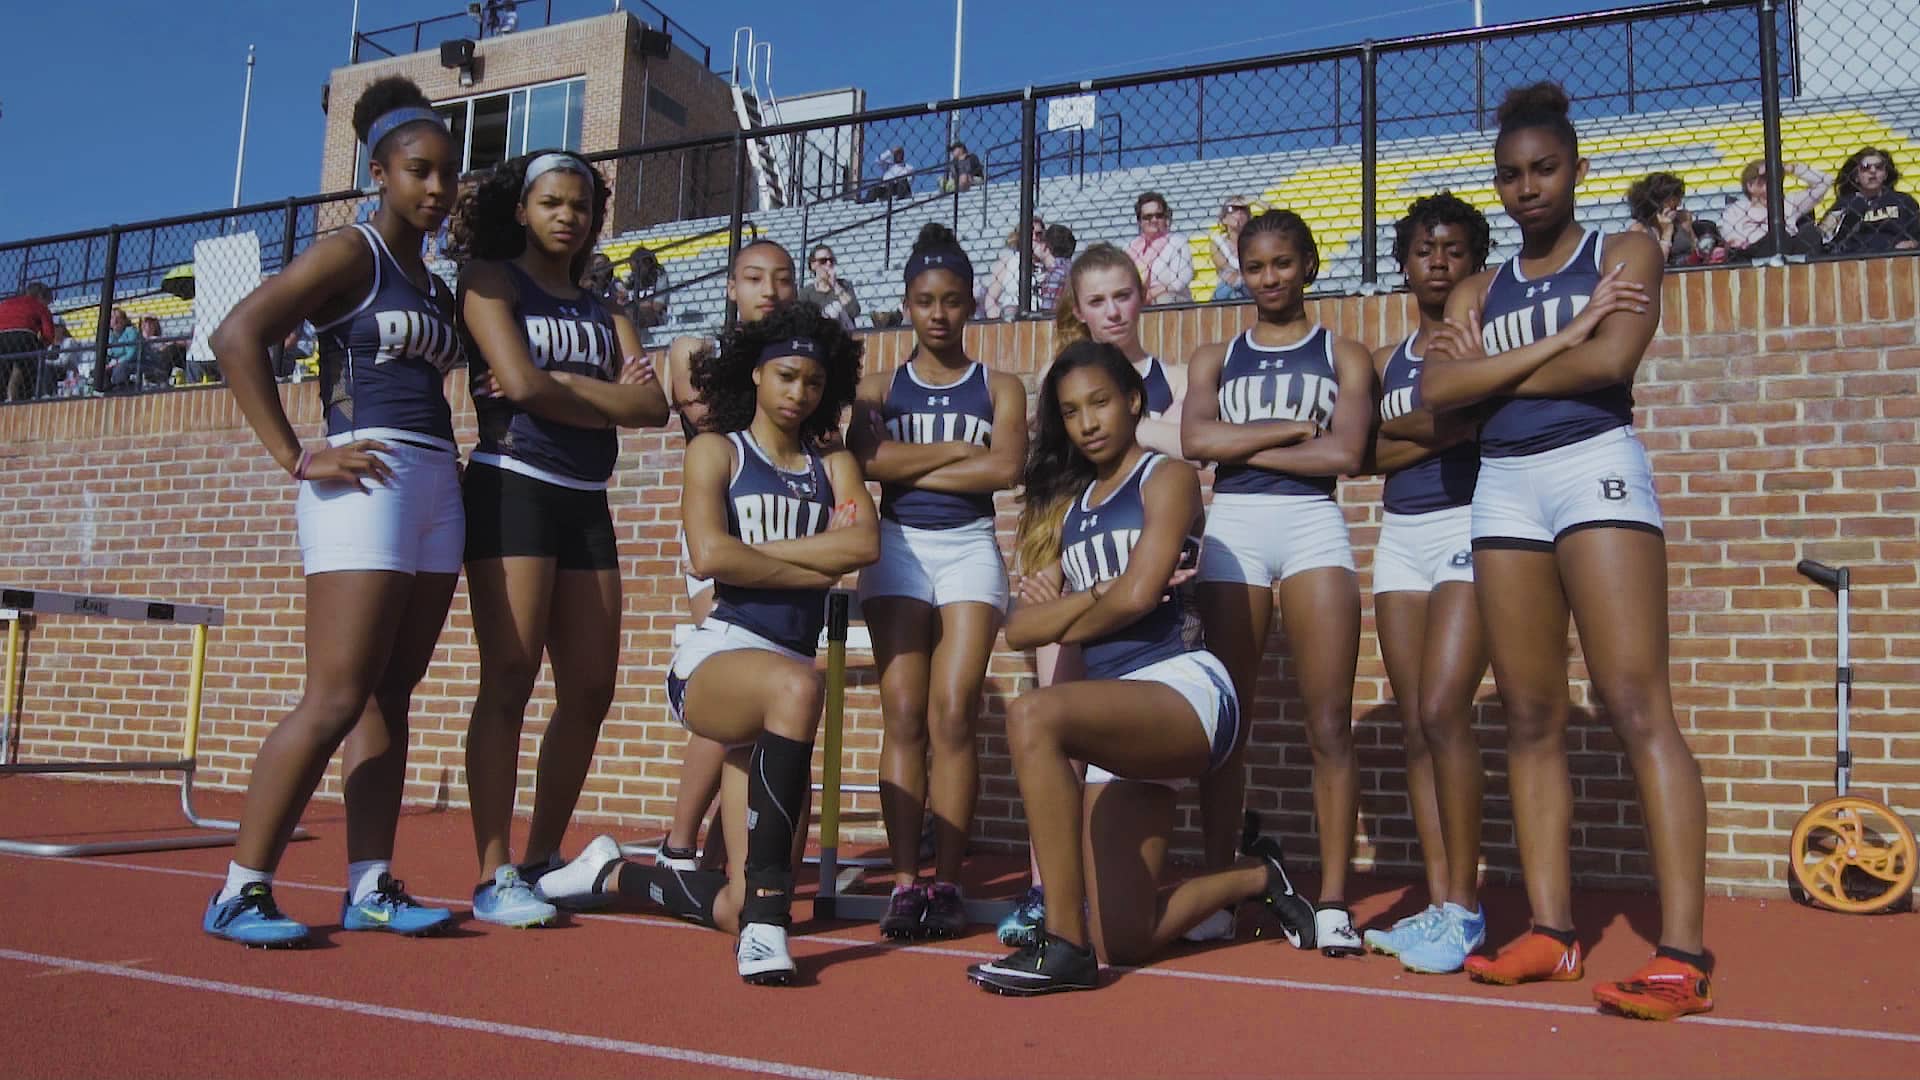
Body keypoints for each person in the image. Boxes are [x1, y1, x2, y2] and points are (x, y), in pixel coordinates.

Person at [1419, 81, 1711, 1021]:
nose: (1527, 188)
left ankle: (1683, 952)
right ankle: (1550, 931)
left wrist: (1499, 370)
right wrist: (1571, 330)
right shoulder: (1476, 285)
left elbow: (1610, 365)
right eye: (1510, 175)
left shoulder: (1622, 248)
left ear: (1578, 170)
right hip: (1505, 483)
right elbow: (1438, 394)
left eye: (1544, 169)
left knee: (1635, 702)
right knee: (1531, 712)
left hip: (1594, 466)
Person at [536, 303, 876, 984]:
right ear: (754, 372)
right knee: (801, 685)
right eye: (785, 376)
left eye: (813, 381)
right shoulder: (716, 450)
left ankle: (613, 874)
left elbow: (864, 545)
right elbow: (713, 553)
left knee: (732, 900)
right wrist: (815, 560)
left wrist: (765, 555)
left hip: (782, 688)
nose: (797, 393)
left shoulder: (832, 462)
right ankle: (769, 927)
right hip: (714, 658)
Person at [964, 341, 1317, 996]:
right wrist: (1103, 595)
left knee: (1033, 714)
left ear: (1132, 401)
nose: (1087, 422)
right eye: (1071, 412)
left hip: (1183, 687)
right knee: (1125, 936)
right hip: (1117, 720)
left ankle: (1062, 944)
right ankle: (1261, 878)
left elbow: (1141, 592)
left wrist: (1089, 600)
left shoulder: (1167, 477)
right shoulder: (1072, 510)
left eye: (1099, 402)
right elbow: (1020, 628)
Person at [200, 76, 464, 946]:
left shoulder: (434, 281)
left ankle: (370, 884)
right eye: (419, 172)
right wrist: (295, 455)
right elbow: (236, 335)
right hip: (365, 478)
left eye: (447, 175)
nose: (436, 190)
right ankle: (241, 887)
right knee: (337, 694)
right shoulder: (353, 254)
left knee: (393, 689)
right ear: (379, 172)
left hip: (434, 481)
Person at [454, 149, 670, 927]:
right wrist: (603, 394)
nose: (568, 216)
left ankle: (542, 861)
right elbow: (515, 386)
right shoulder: (488, 281)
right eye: (552, 202)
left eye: (580, 205)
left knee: (590, 687)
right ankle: (491, 870)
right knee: (509, 676)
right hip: (512, 484)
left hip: (586, 498)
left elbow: (656, 410)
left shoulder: (605, 305)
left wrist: (560, 390)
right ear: (523, 207)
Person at [995, 241, 1203, 949]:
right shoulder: (1071, 386)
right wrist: (1062, 585)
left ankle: (1151, 881)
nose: (1113, 311)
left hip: (1155, 592)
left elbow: (1192, 451)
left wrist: (1132, 582)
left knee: (1095, 730)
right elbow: (1048, 485)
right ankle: (1045, 889)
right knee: (1050, 720)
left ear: (1143, 294)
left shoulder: (1167, 379)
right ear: (1077, 309)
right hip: (1073, 552)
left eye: (1123, 295)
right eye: (1097, 300)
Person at [1180, 209, 1375, 957]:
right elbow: (1198, 440)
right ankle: (1221, 891)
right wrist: (1291, 434)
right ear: (1241, 270)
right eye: (1256, 266)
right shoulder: (1213, 355)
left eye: (1283, 264)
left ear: (1308, 266)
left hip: (1311, 527)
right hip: (1235, 530)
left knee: (1328, 721)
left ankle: (1332, 901)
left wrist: (1247, 448)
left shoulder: (1344, 353)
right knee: (1229, 724)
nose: (1269, 278)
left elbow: (1347, 455)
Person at [849, 224, 1027, 938]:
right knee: (902, 710)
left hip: (968, 546)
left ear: (970, 304)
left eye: (953, 301)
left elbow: (1004, 470)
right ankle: (903, 883)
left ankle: (947, 883)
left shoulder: (1001, 385)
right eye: (925, 301)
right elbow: (868, 462)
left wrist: (909, 454)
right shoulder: (877, 384)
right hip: (896, 546)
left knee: (954, 712)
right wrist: (958, 448)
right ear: (907, 304)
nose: (939, 315)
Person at [1357, 193, 1492, 974]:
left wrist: (1404, 434)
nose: (1437, 263)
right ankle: (1442, 907)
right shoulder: (1385, 361)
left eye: (1452, 251)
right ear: (1403, 263)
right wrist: (1432, 428)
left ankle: (1467, 908)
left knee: (1446, 709)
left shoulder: (1478, 336)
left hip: (1468, 524)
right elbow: (1362, 451)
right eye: (1423, 251)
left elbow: (1471, 422)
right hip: (1400, 536)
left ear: (1474, 260)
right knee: (1415, 722)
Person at [652, 239, 800, 873]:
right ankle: (679, 844)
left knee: (763, 690)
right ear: (730, 288)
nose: (768, 290)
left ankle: (723, 852)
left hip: (784, 528)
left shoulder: (798, 360)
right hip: (720, 527)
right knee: (733, 670)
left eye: (782, 279)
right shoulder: (698, 352)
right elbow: (719, 422)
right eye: (753, 278)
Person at [1718, 159, 1830, 260]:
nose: (1773, 183)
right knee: (1777, 236)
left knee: (1810, 233)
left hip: (1789, 251)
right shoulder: (1736, 210)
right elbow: (1731, 237)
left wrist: (1788, 168)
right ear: (1750, 185)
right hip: (1756, 254)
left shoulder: (1788, 203)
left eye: (1776, 179)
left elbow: (1825, 182)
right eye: (1766, 180)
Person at [1819, 147, 1920, 255]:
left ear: (1885, 174)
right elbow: (1824, 238)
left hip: (1896, 258)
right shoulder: (1844, 204)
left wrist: (1911, 244)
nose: (1873, 171)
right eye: (1865, 168)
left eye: (1879, 167)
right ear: (1856, 176)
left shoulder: (1903, 201)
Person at [1125, 192, 1194, 306]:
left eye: (1159, 215)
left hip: (1171, 299)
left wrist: (1150, 294)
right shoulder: (1130, 247)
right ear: (1139, 221)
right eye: (1148, 217)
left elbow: (1179, 283)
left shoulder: (1177, 242)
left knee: (1163, 300)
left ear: (1165, 218)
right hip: (1138, 299)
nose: (1154, 220)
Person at [0, 282, 57, 402]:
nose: (48, 305)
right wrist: (43, 347)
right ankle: (19, 397)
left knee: (4, 369)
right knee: (24, 366)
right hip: (23, 334)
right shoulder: (40, 306)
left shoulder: (6, 303)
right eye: (48, 301)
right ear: (41, 297)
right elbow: (49, 334)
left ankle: (5, 396)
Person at [1622, 172, 1694, 266]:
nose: (1678, 204)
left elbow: (1696, 249)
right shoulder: (1639, 231)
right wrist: (1666, 233)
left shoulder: (1683, 219)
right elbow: (1656, 266)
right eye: (1673, 199)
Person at [981, 217, 1045, 321]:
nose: (1034, 238)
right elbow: (990, 298)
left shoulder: (1048, 264)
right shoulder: (1009, 261)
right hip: (1012, 316)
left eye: (1038, 234)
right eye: (1029, 233)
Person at [799, 244, 861, 330]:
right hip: (819, 336)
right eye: (823, 261)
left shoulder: (844, 285)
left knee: (836, 307)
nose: (828, 264)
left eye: (831, 260)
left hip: (844, 334)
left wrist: (836, 285)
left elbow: (854, 312)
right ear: (813, 265)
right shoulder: (806, 293)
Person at [1210, 197, 1254, 302]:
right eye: (1232, 210)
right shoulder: (1217, 242)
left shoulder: (1255, 240)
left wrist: (1256, 201)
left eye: (1243, 210)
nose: (1238, 214)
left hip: (1250, 286)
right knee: (1233, 293)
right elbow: (1226, 270)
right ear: (1224, 219)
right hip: (1229, 286)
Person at [1033, 223, 1077, 314]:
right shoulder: (1072, 268)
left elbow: (1047, 310)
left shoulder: (1055, 273)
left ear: (1044, 246)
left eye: (1040, 241)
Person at [105, 308, 141, 391]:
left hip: (131, 362)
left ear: (124, 321)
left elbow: (131, 353)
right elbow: (107, 354)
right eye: (112, 317)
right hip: (113, 364)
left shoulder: (131, 331)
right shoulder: (108, 335)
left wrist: (117, 362)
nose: (115, 320)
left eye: (118, 317)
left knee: (120, 368)